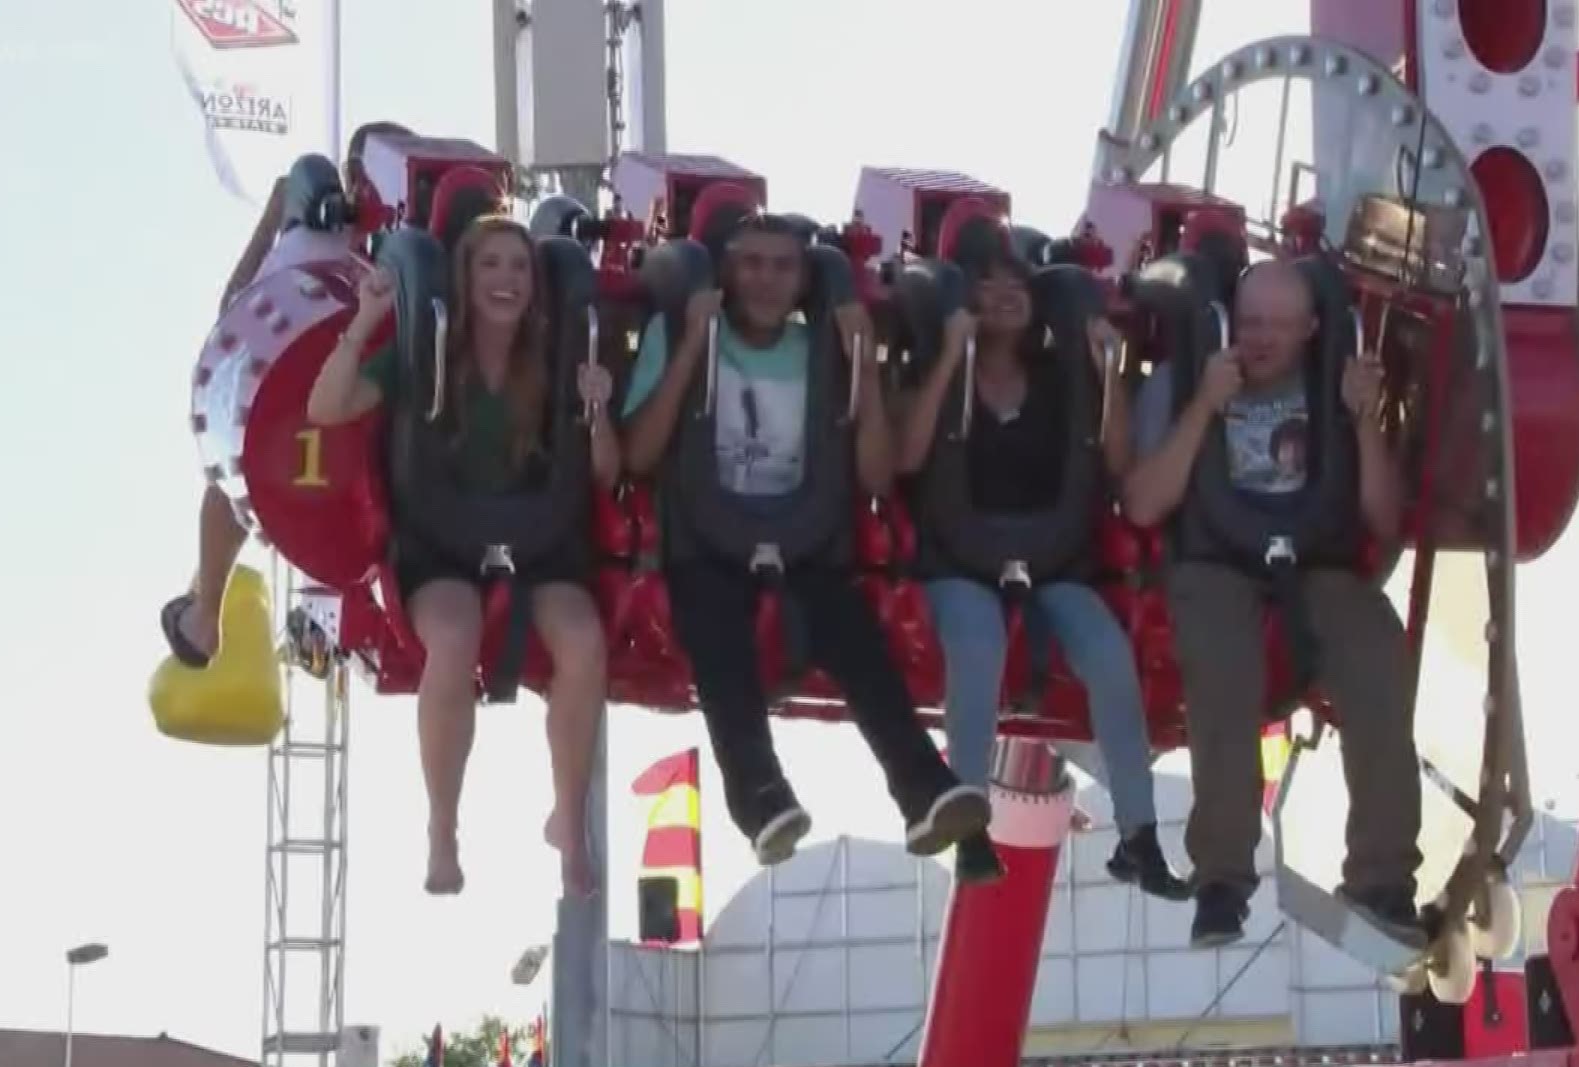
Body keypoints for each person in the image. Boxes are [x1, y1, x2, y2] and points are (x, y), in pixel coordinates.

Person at [619, 213, 989, 866]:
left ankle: (923, 790)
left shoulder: (824, 351)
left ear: (804, 279)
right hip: (707, 541)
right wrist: (691, 346)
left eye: (783, 266)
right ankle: (761, 799)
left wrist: (865, 374)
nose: (765, 279)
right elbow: (639, 455)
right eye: (751, 263)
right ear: (724, 273)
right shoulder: (676, 332)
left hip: (803, 540)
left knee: (856, 637)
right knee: (717, 634)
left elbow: (876, 474)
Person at [305, 216, 618, 897]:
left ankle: (568, 822)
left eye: (519, 268)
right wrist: (366, 324)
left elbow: (601, 473)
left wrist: (599, 413)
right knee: (453, 638)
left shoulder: (553, 363)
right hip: (441, 544)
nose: (506, 280)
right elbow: (327, 407)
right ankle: (442, 826)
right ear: (465, 278)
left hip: (535, 543)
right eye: (491, 266)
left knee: (584, 642)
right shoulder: (428, 353)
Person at [1123, 259, 1423, 949]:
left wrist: (1366, 421)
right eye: (1250, 322)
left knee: (1378, 655)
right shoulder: (1183, 383)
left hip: (1318, 562)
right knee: (1221, 668)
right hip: (1216, 561)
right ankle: (1222, 876)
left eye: (1279, 327)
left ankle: (1383, 874)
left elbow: (1383, 518)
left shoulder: (1333, 390)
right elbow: (1143, 503)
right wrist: (1205, 404)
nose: (1261, 339)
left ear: (1313, 329)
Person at [894, 250, 1188, 897]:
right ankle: (969, 823)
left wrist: (1107, 370)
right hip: (960, 559)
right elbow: (908, 455)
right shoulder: (942, 372)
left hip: (1053, 558)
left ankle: (1139, 836)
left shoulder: (1060, 379)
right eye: (988, 279)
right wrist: (949, 356)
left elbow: (1113, 460)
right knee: (977, 646)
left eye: (1017, 283)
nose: (1005, 291)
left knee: (1109, 655)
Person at [160, 120, 411, 669]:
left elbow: (234, 305)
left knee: (234, 480)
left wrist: (274, 214)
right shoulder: (382, 246)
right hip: (326, 363)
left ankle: (207, 612)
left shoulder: (326, 231)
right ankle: (209, 612)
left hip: (304, 362)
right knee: (240, 478)